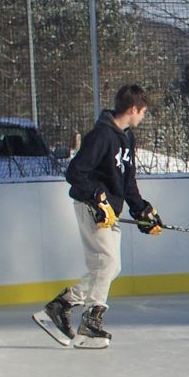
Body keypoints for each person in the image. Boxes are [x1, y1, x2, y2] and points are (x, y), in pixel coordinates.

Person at [35, 84, 163, 349]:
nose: (142, 118)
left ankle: (61, 306)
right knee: (105, 262)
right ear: (133, 108)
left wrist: (143, 210)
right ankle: (90, 323)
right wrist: (97, 197)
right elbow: (75, 173)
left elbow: (127, 183)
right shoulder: (102, 135)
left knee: (110, 268)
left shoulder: (127, 138)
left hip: (109, 212)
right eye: (143, 112)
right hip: (92, 209)